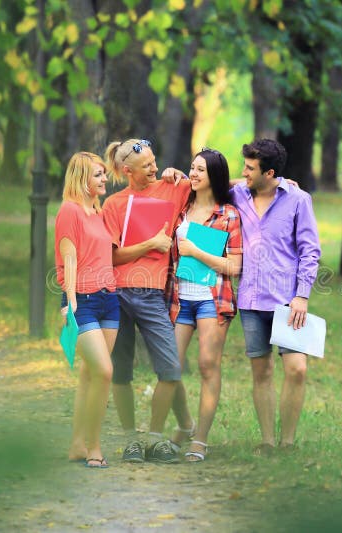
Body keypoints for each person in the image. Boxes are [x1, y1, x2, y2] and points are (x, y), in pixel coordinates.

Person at [101, 138, 192, 463]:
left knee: (170, 368)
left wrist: (274, 182)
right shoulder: (113, 204)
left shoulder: (171, 188)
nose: (155, 168)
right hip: (118, 294)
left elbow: (214, 185)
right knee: (120, 372)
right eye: (147, 166)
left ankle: (154, 439)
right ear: (127, 171)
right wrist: (151, 243)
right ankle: (131, 440)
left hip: (152, 294)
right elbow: (112, 257)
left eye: (155, 161)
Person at [229, 138, 321, 454]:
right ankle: (267, 441)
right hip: (252, 301)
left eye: (250, 168)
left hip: (288, 301)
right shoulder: (237, 193)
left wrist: (303, 296)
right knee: (262, 371)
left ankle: (288, 442)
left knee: (297, 369)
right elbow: (207, 184)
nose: (244, 173)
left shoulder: (298, 199)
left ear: (269, 173)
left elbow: (310, 250)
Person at [165, 148, 242, 462]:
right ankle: (185, 425)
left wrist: (195, 251)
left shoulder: (228, 215)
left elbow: (233, 267)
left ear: (213, 176)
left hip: (212, 299)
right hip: (180, 299)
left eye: (200, 170)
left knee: (208, 366)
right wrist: (170, 171)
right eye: (191, 168)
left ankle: (200, 440)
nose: (193, 174)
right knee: (168, 367)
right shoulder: (181, 206)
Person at [55, 152, 118, 468]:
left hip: (110, 301)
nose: (104, 179)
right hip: (83, 301)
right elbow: (68, 260)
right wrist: (70, 306)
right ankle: (94, 445)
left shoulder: (99, 213)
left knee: (91, 374)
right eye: (98, 175)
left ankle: (77, 444)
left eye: (104, 174)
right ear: (81, 178)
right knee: (104, 371)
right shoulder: (70, 211)